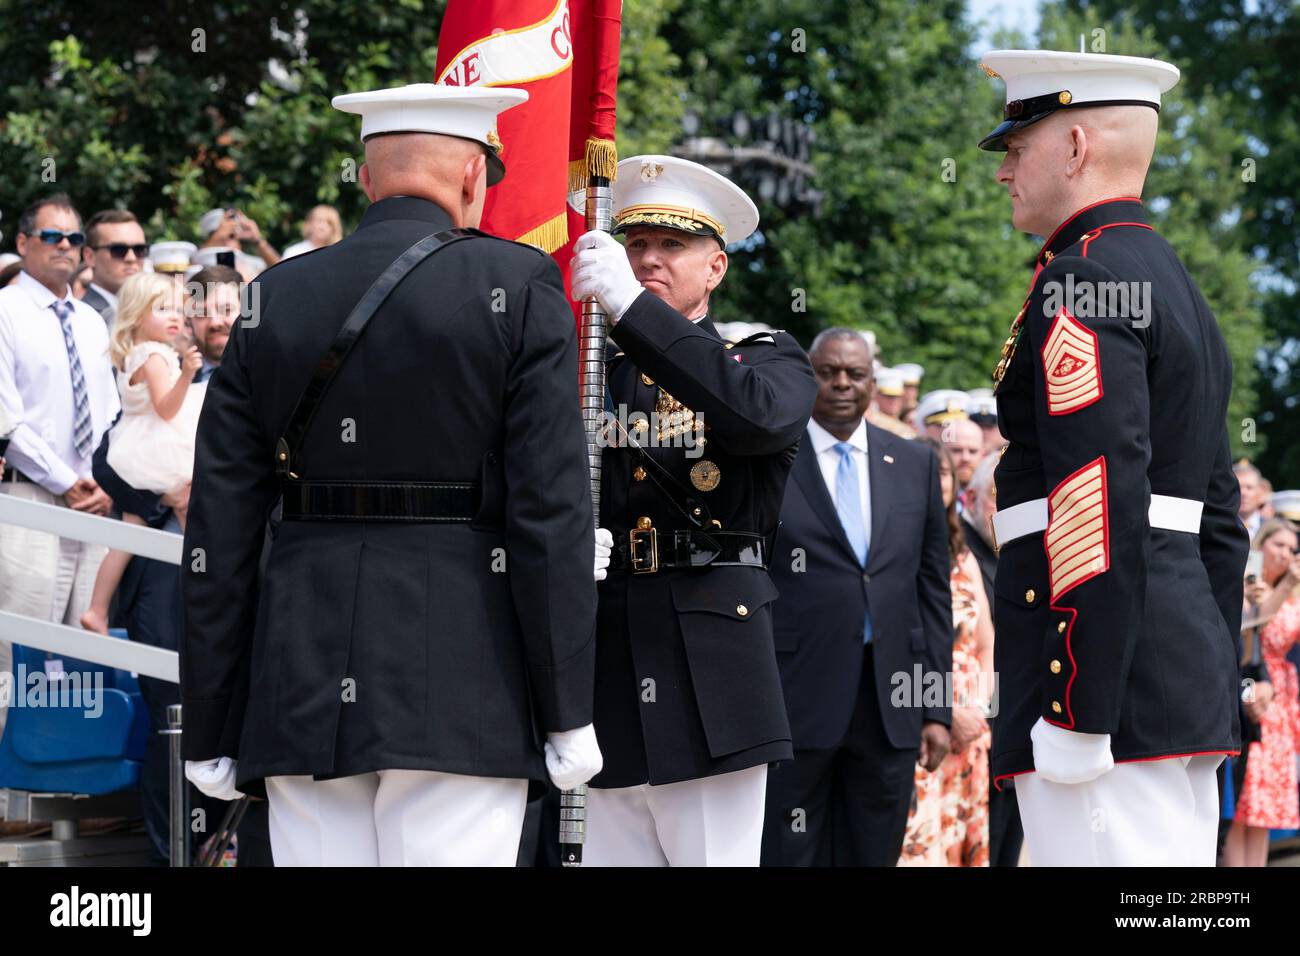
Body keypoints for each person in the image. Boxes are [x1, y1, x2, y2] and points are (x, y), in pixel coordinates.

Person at [181, 83, 603, 867]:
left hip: (300, 678)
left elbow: (222, 525)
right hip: (461, 680)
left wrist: (210, 717)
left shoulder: (274, 294)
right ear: (475, 178)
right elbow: (549, 513)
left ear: (366, 179)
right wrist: (567, 710)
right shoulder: (517, 284)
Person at [979, 49, 1247, 866]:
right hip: (1168, 676)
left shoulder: (1084, 277)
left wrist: (1078, 699)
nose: (1002, 173)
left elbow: (1095, 496)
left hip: (1105, 695)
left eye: (1016, 148)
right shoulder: (1175, 285)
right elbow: (1221, 522)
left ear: (1075, 147)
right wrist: (1204, 666)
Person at [569, 154, 817, 866]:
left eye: (671, 246)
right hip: (609, 647)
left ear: (716, 268)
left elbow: (757, 422)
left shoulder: (762, 356)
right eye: (635, 245)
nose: (648, 258)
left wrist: (633, 311)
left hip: (712, 657)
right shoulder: (588, 369)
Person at [758, 329, 952, 867]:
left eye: (855, 373)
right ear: (809, 376)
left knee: (874, 852)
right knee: (789, 851)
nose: (842, 383)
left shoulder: (915, 463)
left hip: (890, 701)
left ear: (871, 380)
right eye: (828, 372)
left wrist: (936, 705)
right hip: (797, 699)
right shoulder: (772, 459)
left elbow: (932, 592)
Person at [92, 263, 245, 865]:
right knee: (173, 711)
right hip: (165, 569)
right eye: (207, 309)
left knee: (233, 708)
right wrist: (163, 494)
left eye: (231, 309)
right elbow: (114, 460)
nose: (218, 320)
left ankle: (229, 842)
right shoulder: (163, 367)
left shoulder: (269, 374)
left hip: (240, 571)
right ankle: (170, 850)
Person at [0, 194, 119, 740]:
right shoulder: (5, 311)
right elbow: (7, 418)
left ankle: (69, 780)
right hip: (31, 499)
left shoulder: (94, 322)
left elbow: (110, 413)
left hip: (94, 503)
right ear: (24, 244)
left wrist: (101, 481)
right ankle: (9, 793)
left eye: (74, 238)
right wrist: (67, 481)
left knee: (82, 651)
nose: (66, 247)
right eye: (53, 237)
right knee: (20, 646)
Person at [79, 274, 205, 635]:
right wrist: (189, 375)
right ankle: (197, 583)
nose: (175, 318)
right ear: (137, 315)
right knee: (185, 502)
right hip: (152, 448)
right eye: (163, 309)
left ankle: (97, 608)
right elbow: (166, 409)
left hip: (133, 446)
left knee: (129, 533)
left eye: (179, 310)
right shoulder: (154, 356)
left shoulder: (139, 351)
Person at [899, 438, 994, 866]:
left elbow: (985, 641)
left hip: (971, 730)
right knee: (920, 847)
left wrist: (976, 708)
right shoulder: (894, 551)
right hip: (920, 720)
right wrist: (943, 710)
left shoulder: (964, 554)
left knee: (960, 849)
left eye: (942, 472)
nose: (935, 479)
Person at [1225, 519, 1299, 866]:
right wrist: (1286, 587)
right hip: (1249, 688)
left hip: (1282, 701)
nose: (1285, 554)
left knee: (1266, 805)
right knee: (1244, 800)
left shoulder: (1293, 594)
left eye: (1291, 549)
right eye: (1278, 544)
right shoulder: (1248, 585)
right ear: (1262, 544)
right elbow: (1252, 630)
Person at [81, 209, 147, 328]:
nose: (131, 258)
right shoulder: (81, 317)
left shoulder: (153, 313)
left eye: (139, 249)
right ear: (90, 257)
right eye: (118, 250)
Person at [866, 365, 917, 438]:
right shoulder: (871, 420)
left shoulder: (905, 421)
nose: (894, 401)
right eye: (888, 396)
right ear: (876, 395)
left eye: (897, 396)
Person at [1235, 461, 1265, 538]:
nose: (1243, 493)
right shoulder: (1218, 525)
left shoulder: (1270, 528)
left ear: (1260, 492)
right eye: (1238, 487)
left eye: (1249, 488)